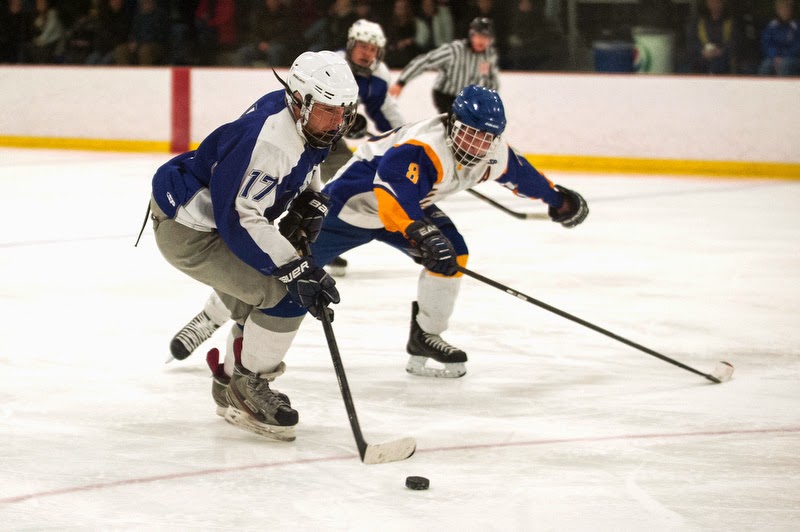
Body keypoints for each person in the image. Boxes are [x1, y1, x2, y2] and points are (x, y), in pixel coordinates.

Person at [167, 19, 405, 364]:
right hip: (220, 206)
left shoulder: (359, 92)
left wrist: (313, 197)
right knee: (270, 270)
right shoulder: (320, 80)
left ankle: (235, 353)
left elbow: (388, 124)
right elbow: (243, 213)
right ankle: (212, 318)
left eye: (373, 49)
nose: (367, 54)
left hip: (315, 153)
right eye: (362, 47)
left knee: (271, 269)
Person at [150, 51, 358, 441]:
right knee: (285, 297)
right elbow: (240, 221)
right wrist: (294, 269)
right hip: (190, 231)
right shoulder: (271, 144)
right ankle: (247, 388)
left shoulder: (300, 117)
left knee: (257, 299)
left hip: (206, 212)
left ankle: (230, 382)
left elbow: (308, 158)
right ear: (300, 102)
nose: (338, 121)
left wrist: (313, 196)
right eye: (328, 111)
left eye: (343, 111)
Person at [389, 17, 499, 114]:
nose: (481, 41)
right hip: (445, 95)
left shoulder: (489, 55)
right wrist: (401, 82)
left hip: (467, 99)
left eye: (485, 37)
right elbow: (424, 61)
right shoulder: (455, 50)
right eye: (478, 36)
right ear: (471, 35)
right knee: (455, 127)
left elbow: (491, 80)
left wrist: (489, 100)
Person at [686, 0, 738, 74]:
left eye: (718, 2)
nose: (715, 4)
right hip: (702, 58)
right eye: (712, 1)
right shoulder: (698, 21)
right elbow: (691, 41)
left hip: (723, 59)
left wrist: (721, 51)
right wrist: (702, 51)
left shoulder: (730, 22)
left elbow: (734, 42)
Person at [758, 0, 800, 76]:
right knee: (766, 65)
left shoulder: (796, 27)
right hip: (774, 57)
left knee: (785, 65)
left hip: (792, 58)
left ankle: (783, 87)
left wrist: (783, 56)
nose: (784, 11)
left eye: (786, 8)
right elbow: (766, 44)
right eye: (781, 8)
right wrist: (775, 56)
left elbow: (797, 46)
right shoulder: (772, 26)